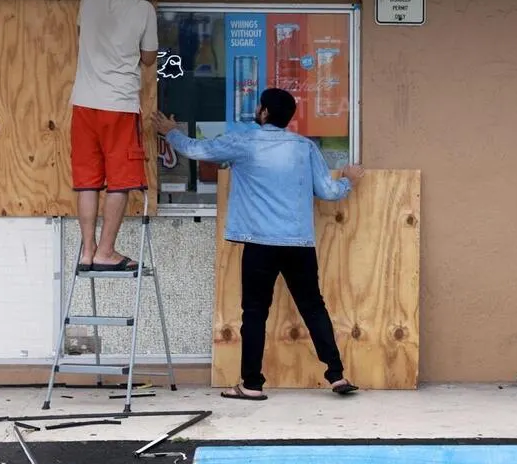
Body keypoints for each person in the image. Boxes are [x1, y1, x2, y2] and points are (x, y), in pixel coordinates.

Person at [152, 88, 364, 400]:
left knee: (254, 313)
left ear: (263, 112)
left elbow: (197, 150)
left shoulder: (244, 141)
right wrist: (349, 179)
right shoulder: (305, 148)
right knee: (313, 306)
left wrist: (170, 133)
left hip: (259, 243)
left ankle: (251, 384)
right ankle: (336, 375)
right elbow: (330, 192)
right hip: (298, 244)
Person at [70, 0, 162, 273]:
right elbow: (149, 58)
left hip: (83, 102)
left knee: (87, 181)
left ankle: (88, 249)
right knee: (120, 181)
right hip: (119, 105)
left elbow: (82, 35)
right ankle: (106, 251)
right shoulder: (144, 9)